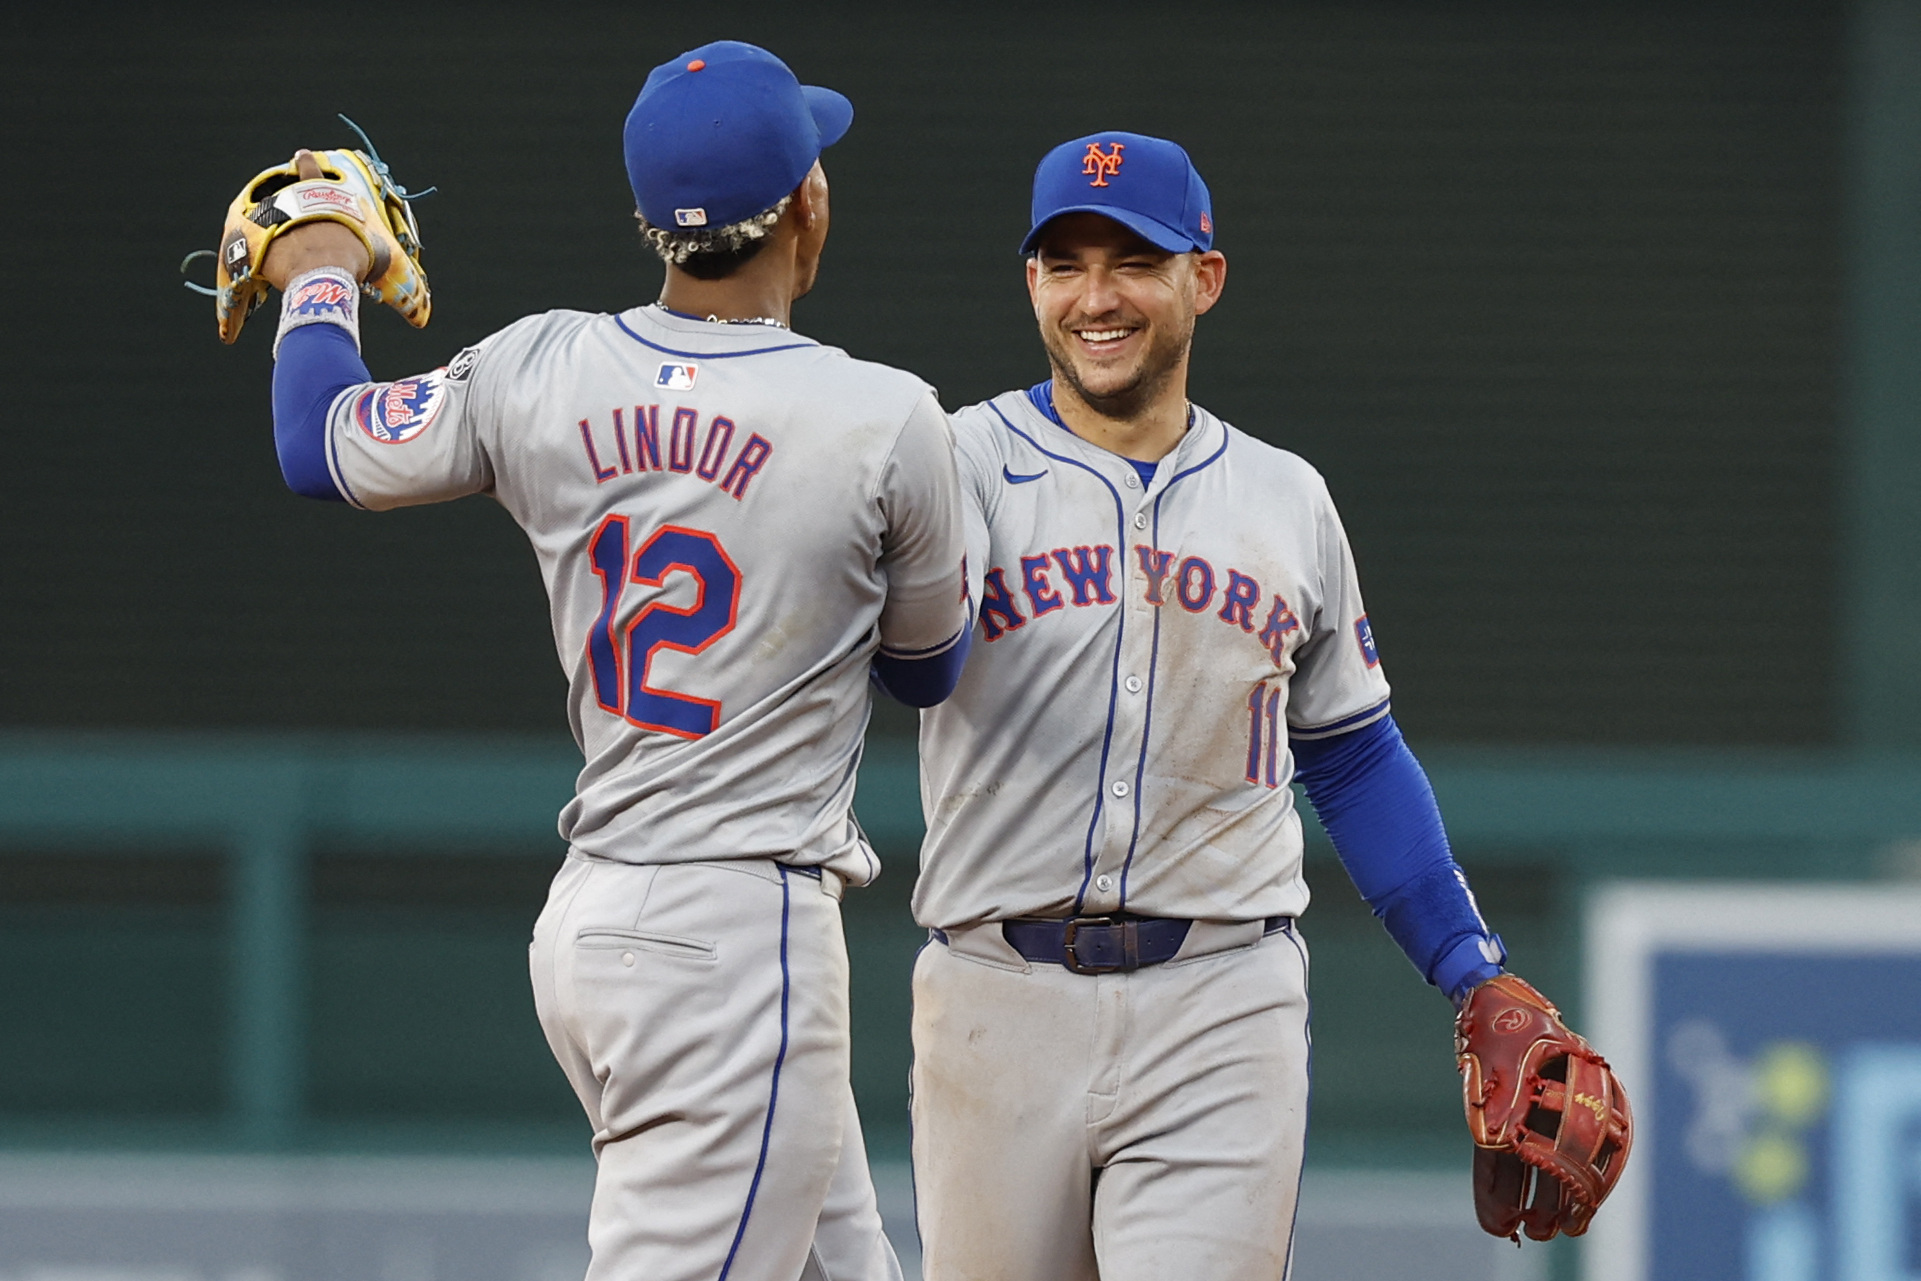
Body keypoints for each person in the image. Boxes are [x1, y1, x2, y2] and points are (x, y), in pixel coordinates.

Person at [251, 41, 968, 1281]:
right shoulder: (884, 416)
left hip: (595, 922)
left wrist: (319, 263)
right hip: (732, 938)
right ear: (807, 202)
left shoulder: (540, 366)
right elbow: (927, 670)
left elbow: (318, 445)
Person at [907, 131, 1571, 1279]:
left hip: (1217, 1002)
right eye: (1065, 264)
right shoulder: (950, 465)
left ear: (1203, 278)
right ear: (1031, 281)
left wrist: (1469, 965)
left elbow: (1352, 756)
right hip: (993, 994)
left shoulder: (1283, 498)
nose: (1096, 298)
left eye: (1134, 262)